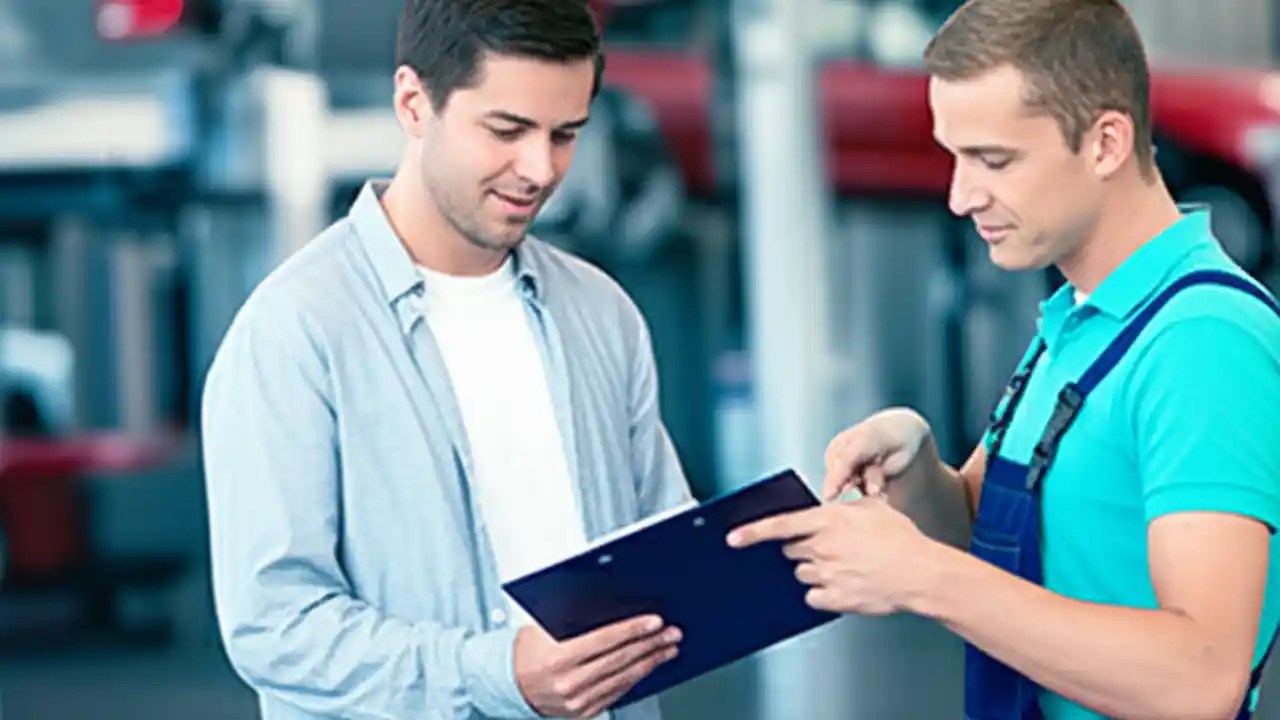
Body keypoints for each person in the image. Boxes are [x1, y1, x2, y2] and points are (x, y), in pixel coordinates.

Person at [727, 1, 1280, 719]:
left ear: (1107, 143)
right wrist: (923, 474)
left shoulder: (1202, 342)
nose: (961, 196)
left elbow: (1199, 679)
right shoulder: (1082, 321)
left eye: (995, 160)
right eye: (953, 155)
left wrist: (923, 577)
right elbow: (1001, 544)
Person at [200, 2, 690, 718]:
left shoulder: (601, 313)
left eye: (565, 135)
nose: (539, 169)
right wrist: (494, 673)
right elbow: (275, 627)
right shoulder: (295, 331)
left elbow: (663, 546)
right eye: (507, 130)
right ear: (413, 101)